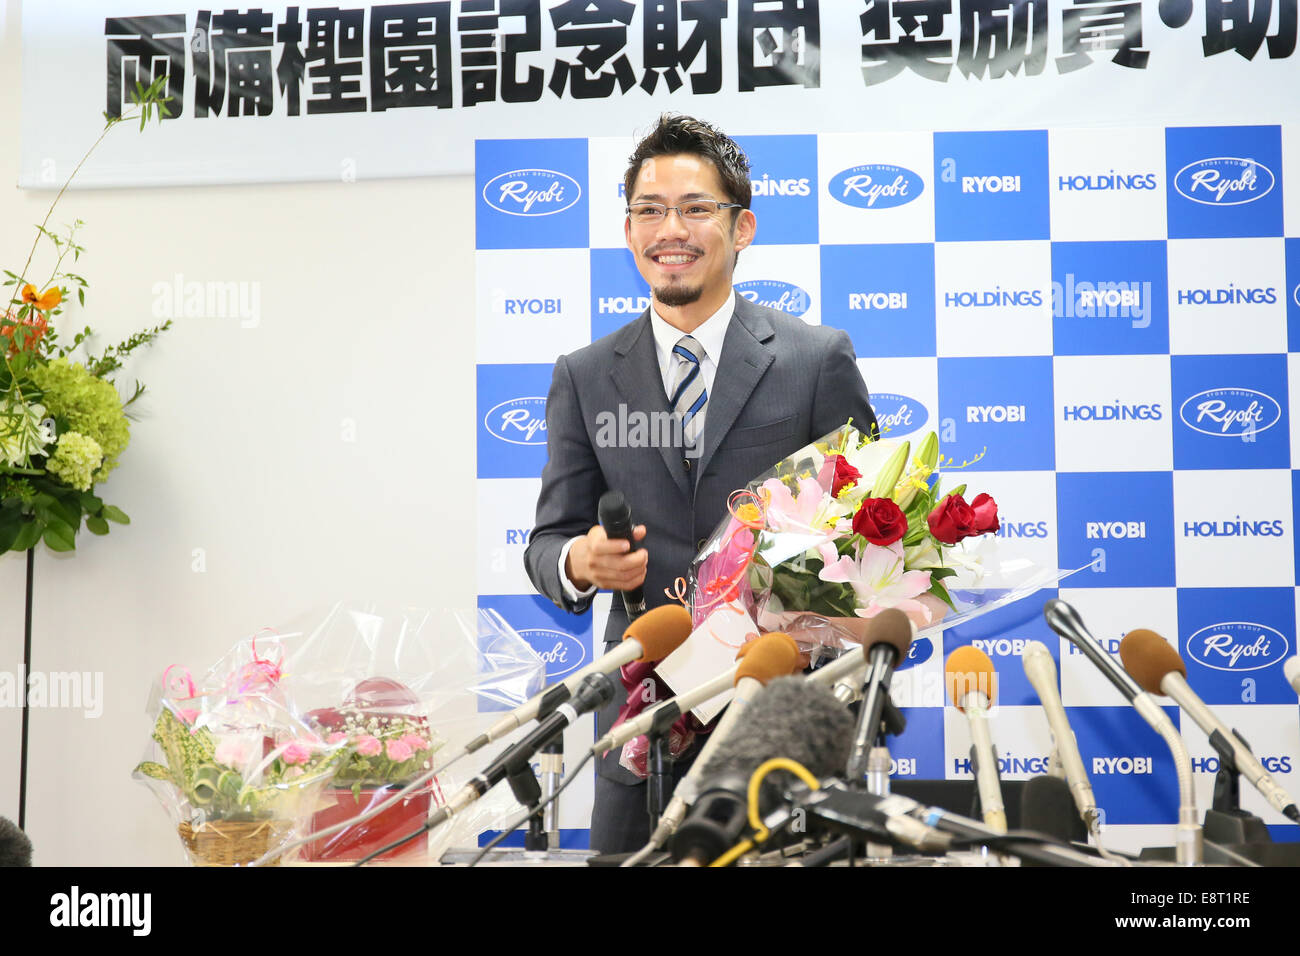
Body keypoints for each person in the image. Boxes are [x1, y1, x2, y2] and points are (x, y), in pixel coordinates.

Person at [524, 114, 877, 854]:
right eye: (649, 210)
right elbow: (549, 540)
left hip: (783, 718)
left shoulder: (815, 361)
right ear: (628, 233)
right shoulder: (585, 376)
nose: (669, 229)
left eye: (694, 208)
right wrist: (580, 563)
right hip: (640, 725)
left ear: (741, 227)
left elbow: (874, 533)